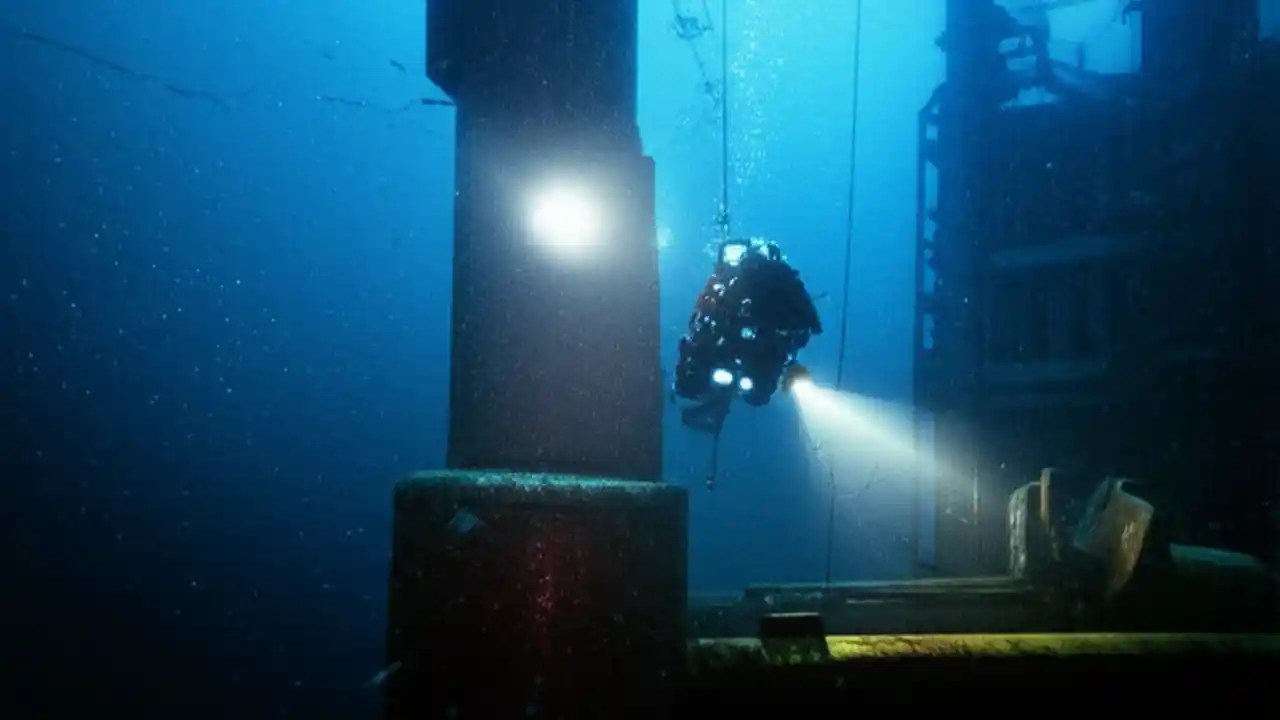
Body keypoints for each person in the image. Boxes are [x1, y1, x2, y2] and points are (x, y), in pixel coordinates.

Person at [672, 237, 822, 435]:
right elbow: (810, 325)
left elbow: (710, 315)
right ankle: (696, 387)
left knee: (753, 390)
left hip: (753, 350)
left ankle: (693, 387)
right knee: (756, 391)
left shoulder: (744, 282)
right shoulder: (781, 282)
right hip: (751, 350)